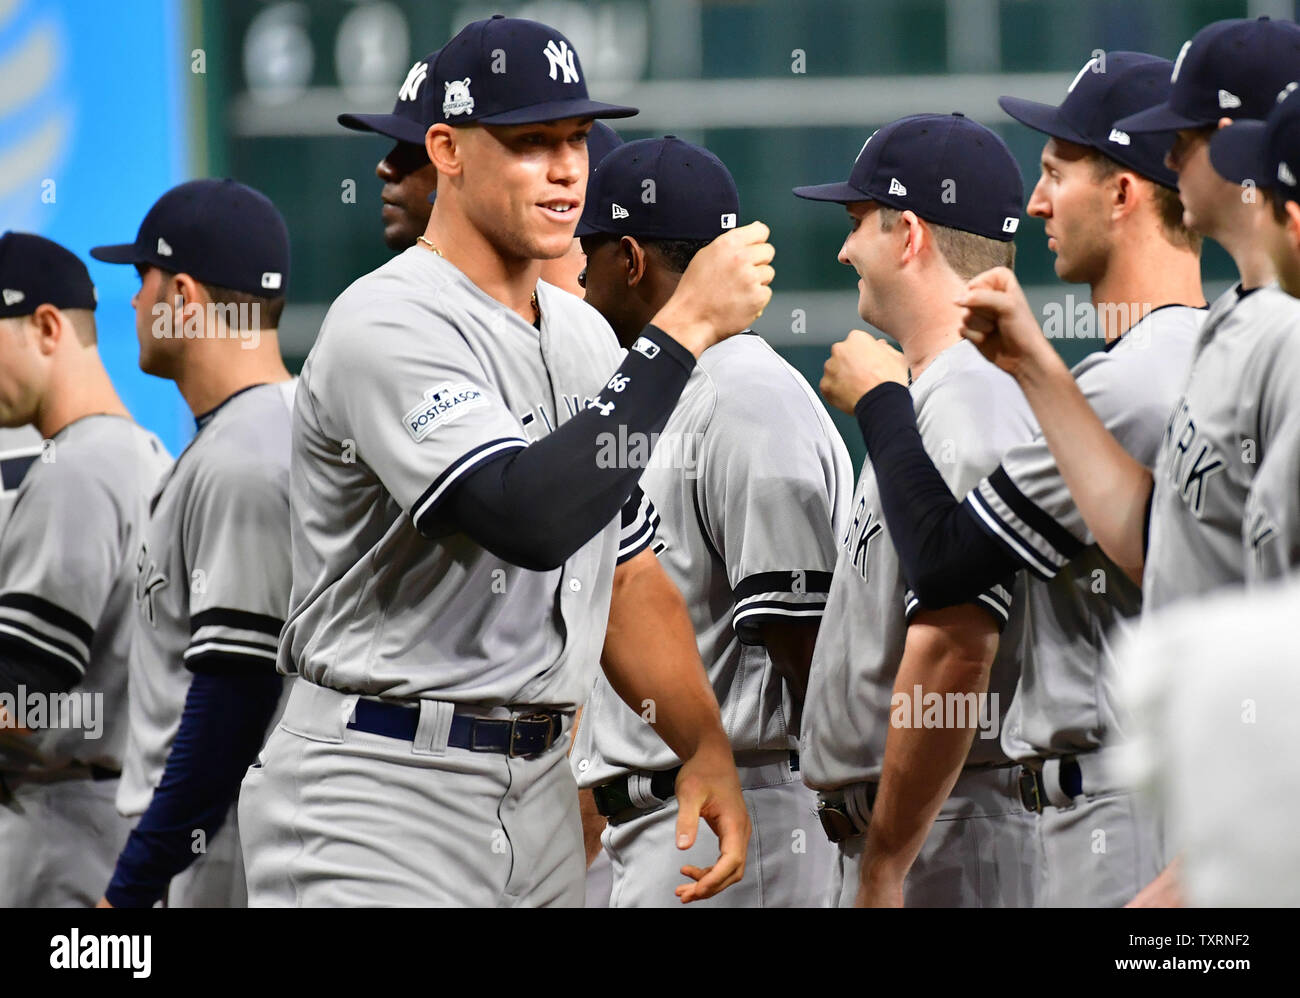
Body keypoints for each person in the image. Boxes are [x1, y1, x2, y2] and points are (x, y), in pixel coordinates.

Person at [238, 15, 772, 907]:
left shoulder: (587, 338)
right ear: (445, 148)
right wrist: (682, 331)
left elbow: (629, 572)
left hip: (537, 801)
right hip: (376, 789)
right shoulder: (389, 320)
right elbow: (524, 517)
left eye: (574, 138)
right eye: (530, 142)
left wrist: (703, 745)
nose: (566, 167)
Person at [816, 52, 1206, 906]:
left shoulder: (1127, 385)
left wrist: (885, 403)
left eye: (1056, 173)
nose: (1035, 204)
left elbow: (954, 582)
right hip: (1141, 799)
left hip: (1121, 807)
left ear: (1125, 192)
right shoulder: (1212, 358)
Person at [950, 15, 1300, 905]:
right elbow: (1153, 540)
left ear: (1239, 146)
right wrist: (1034, 366)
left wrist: (1200, 855)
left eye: (1179, 138)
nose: (1169, 159)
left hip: (1218, 810)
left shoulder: (1283, 342)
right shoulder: (1235, 322)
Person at [572, 136, 851, 907]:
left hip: (747, 818)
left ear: (630, 259)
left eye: (586, 256)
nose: (577, 279)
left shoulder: (745, 396)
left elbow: (804, 642)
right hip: (668, 818)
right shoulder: (666, 393)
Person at [797, 112, 1042, 907]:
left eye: (855, 223)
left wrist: (887, 862)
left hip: (947, 834)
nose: (843, 251)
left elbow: (957, 649)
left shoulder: (970, 392)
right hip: (923, 827)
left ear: (908, 234)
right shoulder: (925, 393)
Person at [89, 179, 297, 907]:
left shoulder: (247, 452)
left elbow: (233, 699)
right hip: (224, 831)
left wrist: (134, 885)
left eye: (141, 279)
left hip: (226, 843)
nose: (137, 304)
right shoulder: (270, 428)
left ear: (182, 293)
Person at [0, 232, 171, 906]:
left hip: (61, 827)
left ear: (46, 327)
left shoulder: (77, 467)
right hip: (112, 814)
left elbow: (18, 698)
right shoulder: (145, 453)